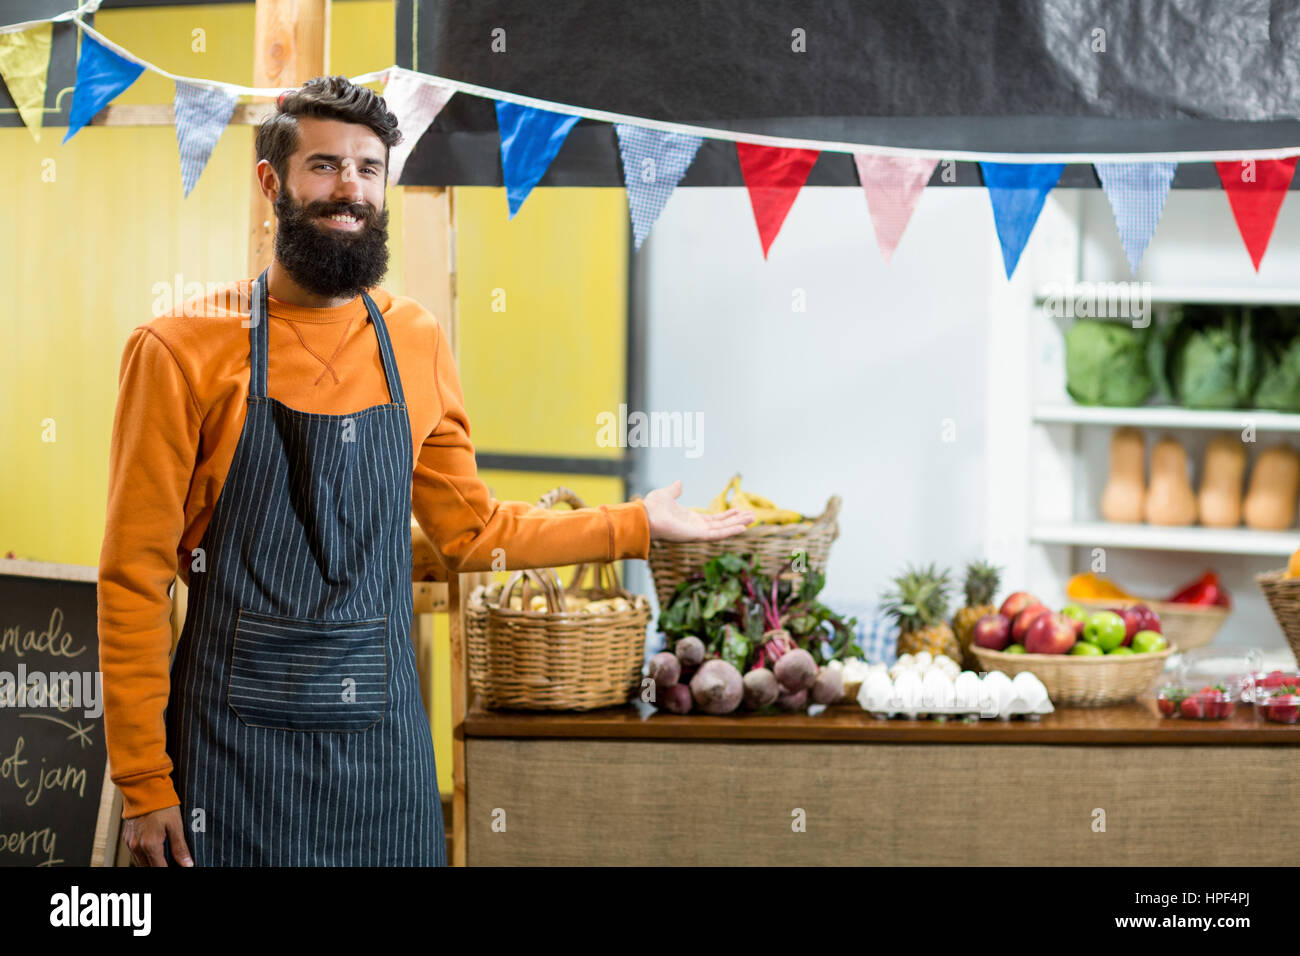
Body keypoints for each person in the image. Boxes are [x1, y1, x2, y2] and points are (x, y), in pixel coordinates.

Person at [98, 75, 753, 867]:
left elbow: (473, 535)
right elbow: (134, 578)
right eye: (324, 166)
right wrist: (144, 780)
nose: (349, 190)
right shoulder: (179, 350)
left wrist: (635, 525)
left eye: (369, 169)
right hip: (229, 751)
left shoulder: (413, 340)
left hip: (383, 756)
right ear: (272, 182)